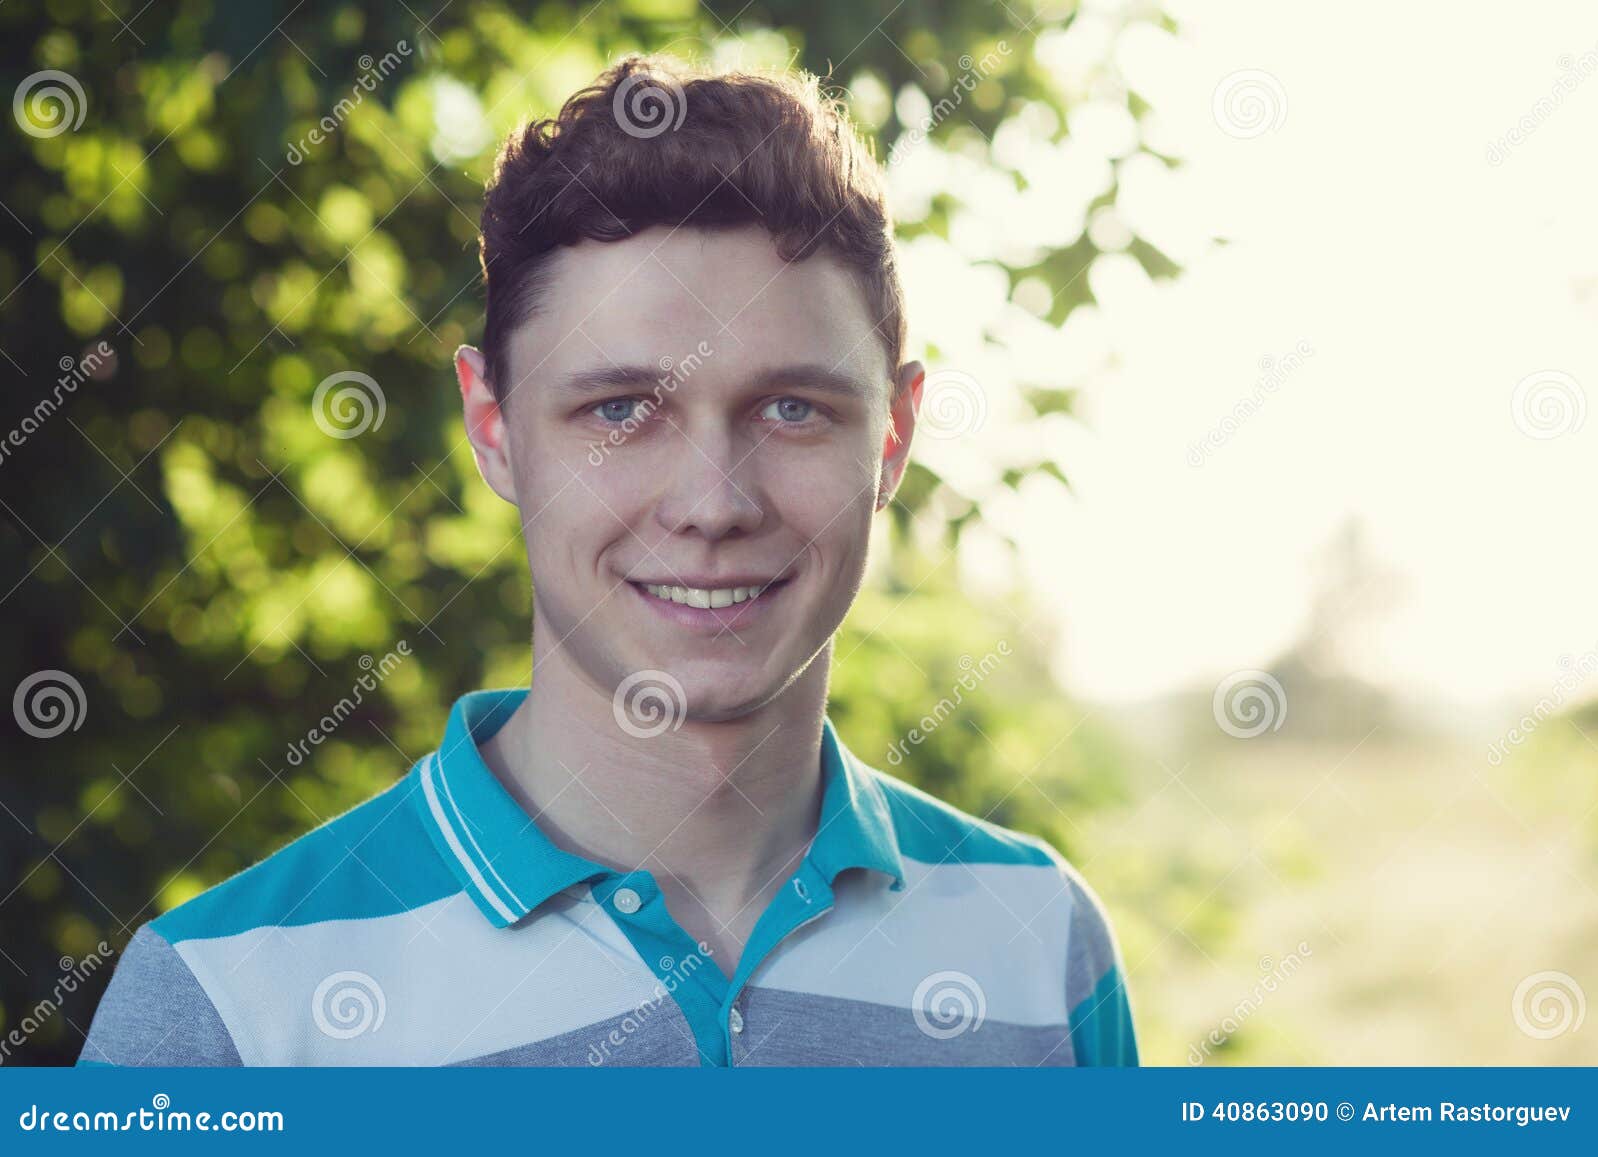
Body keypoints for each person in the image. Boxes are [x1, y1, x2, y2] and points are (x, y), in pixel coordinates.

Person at [79, 54, 1137, 1067]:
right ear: (493, 429)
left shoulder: (1041, 943)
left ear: (894, 435)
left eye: (792, 407)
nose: (713, 504)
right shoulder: (223, 1007)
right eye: (620, 409)